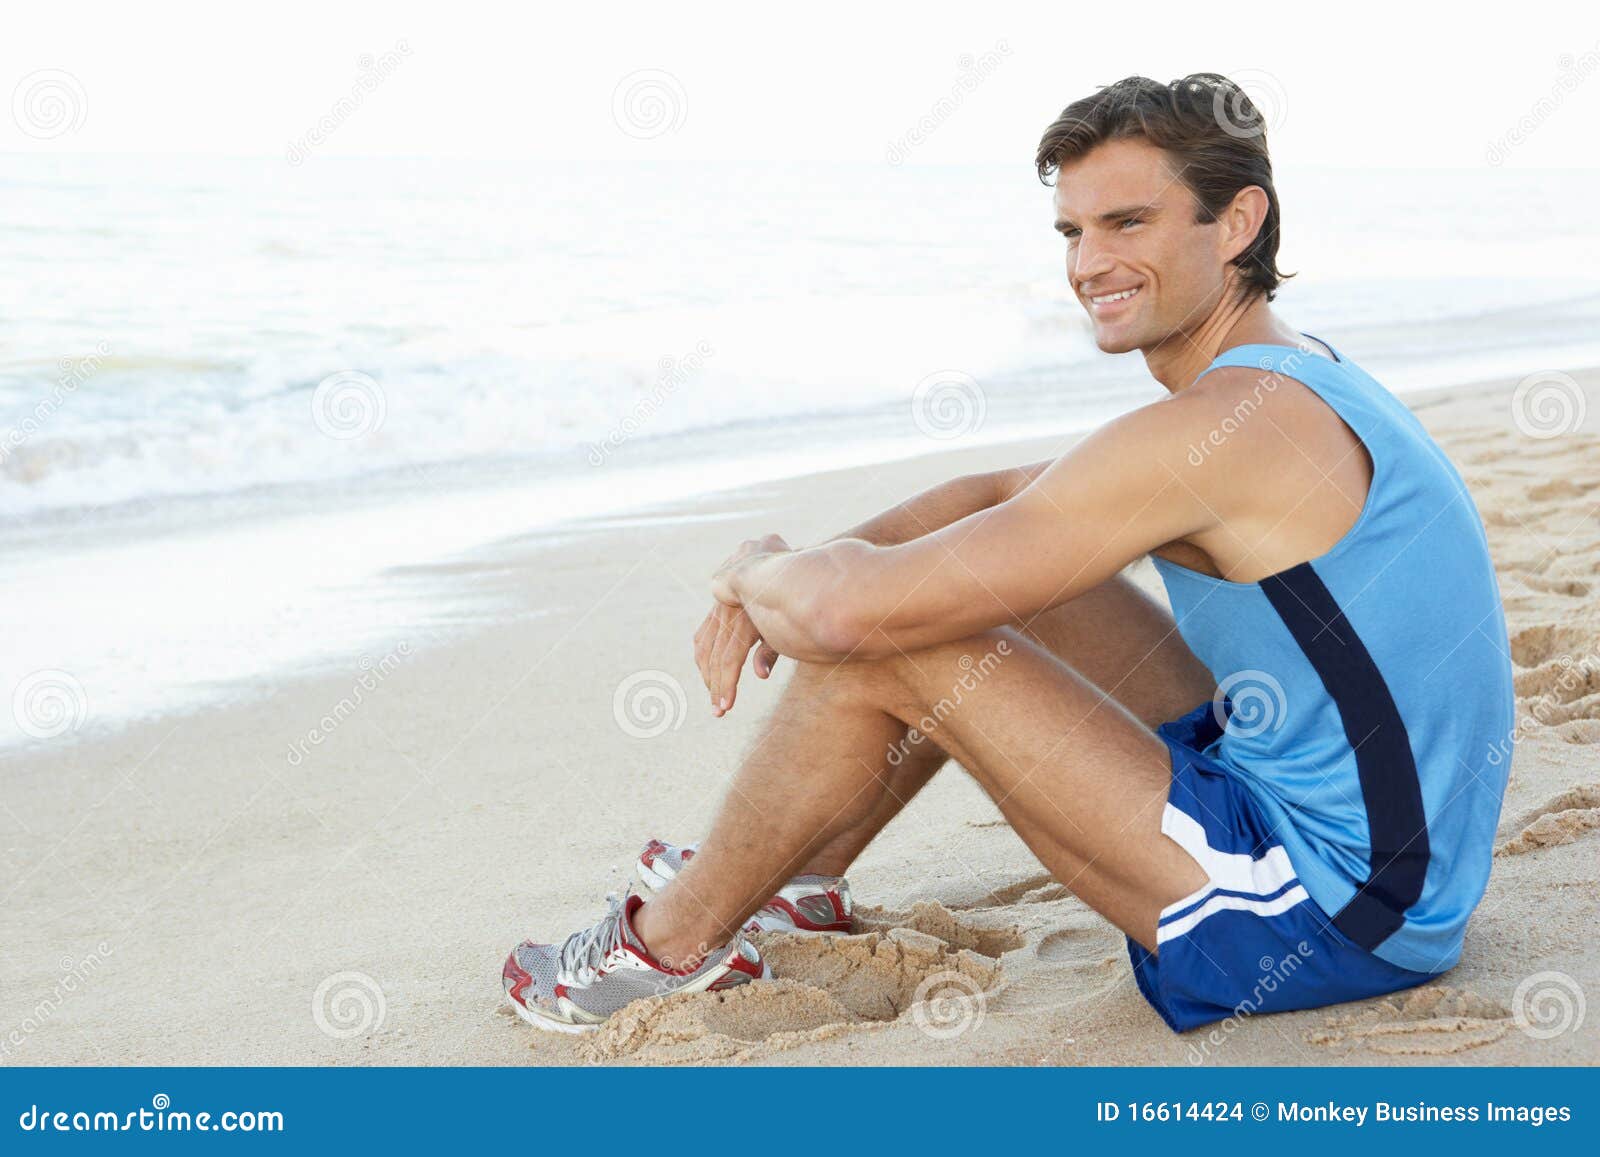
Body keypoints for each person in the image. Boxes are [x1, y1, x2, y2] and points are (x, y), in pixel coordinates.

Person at [502, 73, 1516, 1036]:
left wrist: (754, 568)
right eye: (1072, 230)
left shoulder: (1224, 429)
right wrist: (827, 557)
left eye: (1128, 223)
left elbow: (845, 616)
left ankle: (667, 944)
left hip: (1331, 911)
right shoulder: (1287, 377)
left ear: (1238, 222)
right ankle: (798, 881)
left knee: (901, 632)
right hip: (1359, 835)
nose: (1087, 265)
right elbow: (998, 499)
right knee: (978, 588)